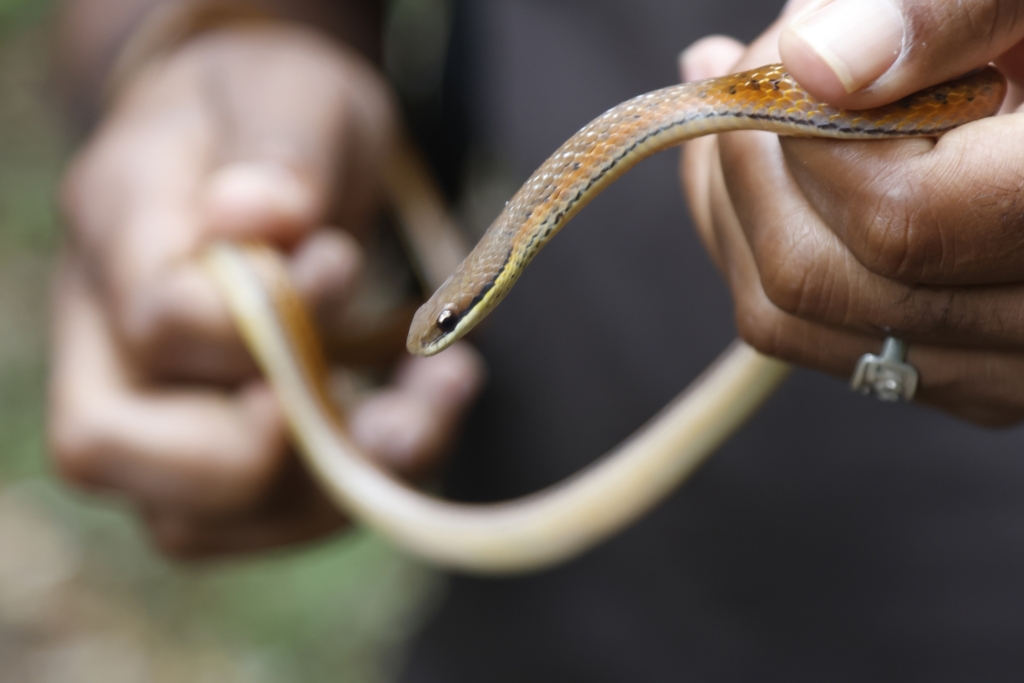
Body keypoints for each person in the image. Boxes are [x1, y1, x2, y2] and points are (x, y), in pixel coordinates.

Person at [48, 0, 1024, 679]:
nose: (436, 332)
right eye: (443, 318)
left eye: (448, 321)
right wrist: (204, 45)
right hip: (543, 632)